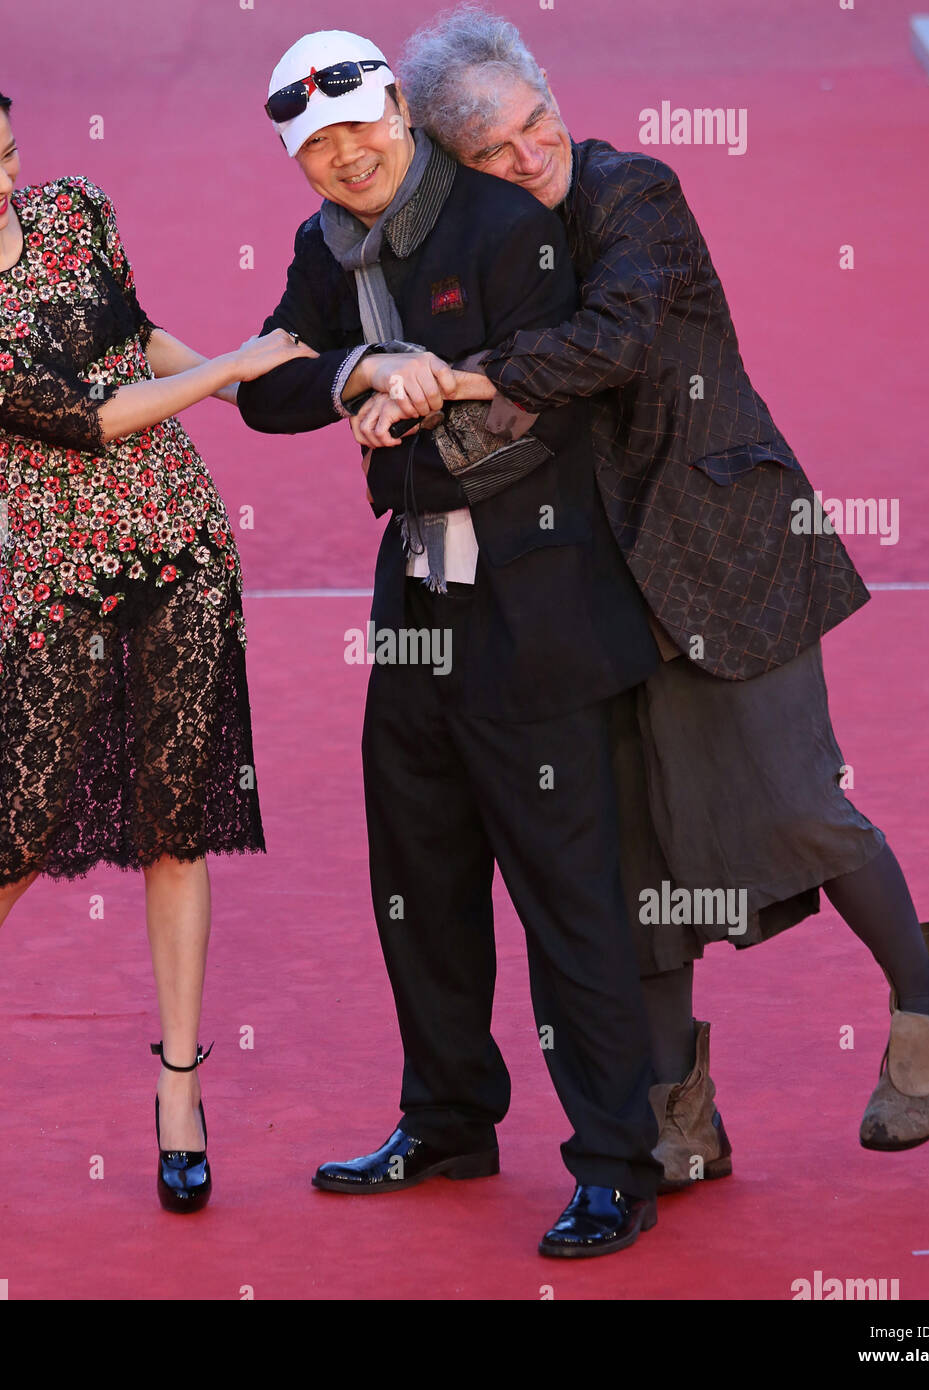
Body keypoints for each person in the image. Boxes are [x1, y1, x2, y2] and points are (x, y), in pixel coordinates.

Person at [353, 5, 929, 1185]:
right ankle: (673, 1105)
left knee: (798, 803)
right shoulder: (468, 252)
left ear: (553, 101)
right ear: (452, 158)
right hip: (592, 594)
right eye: (493, 150)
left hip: (724, 548)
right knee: (636, 868)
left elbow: (616, 337)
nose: (529, 153)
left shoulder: (632, 191)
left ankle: (922, 990)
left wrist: (450, 380)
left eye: (535, 122)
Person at [238, 29, 668, 1258]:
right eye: (316, 147)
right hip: (420, 608)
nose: (346, 156)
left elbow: (546, 407)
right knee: (417, 881)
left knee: (568, 903)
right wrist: (368, 366)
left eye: (361, 126)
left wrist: (415, 415)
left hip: (541, 608)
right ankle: (446, 1120)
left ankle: (612, 1164)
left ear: (402, 115)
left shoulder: (501, 226)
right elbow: (270, 379)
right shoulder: (329, 249)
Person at [0, 54, 315, 1213]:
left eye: (9, 151)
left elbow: (135, 339)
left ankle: (176, 1086)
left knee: (176, 824)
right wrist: (231, 367)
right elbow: (88, 420)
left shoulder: (77, 213)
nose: (8, 179)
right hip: (61, 575)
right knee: (14, 834)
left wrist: (239, 382)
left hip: (182, 548)